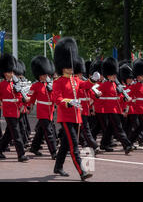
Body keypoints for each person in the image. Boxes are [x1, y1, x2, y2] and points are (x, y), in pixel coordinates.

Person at [52, 37, 98, 181]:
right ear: (62, 66)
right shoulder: (58, 82)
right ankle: (82, 171)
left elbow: (85, 86)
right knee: (74, 145)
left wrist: (93, 80)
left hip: (76, 116)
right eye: (67, 66)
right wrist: (69, 102)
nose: (70, 68)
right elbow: (57, 99)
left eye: (71, 65)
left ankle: (58, 167)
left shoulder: (75, 80)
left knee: (66, 144)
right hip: (65, 116)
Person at [0, 53, 29, 162]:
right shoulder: (0, 85)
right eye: (8, 72)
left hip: (18, 110)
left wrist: (24, 105)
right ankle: (21, 154)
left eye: (11, 72)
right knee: (16, 133)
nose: (10, 74)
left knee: (9, 133)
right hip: (8, 111)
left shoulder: (17, 83)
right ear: (4, 73)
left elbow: (22, 96)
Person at [97, 57, 133, 155]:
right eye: (112, 75)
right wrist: (98, 94)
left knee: (110, 128)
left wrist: (125, 98)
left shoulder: (116, 85)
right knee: (118, 127)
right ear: (108, 75)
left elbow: (120, 96)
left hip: (117, 108)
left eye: (114, 74)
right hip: (110, 109)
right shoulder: (104, 85)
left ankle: (104, 144)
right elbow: (95, 91)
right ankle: (127, 145)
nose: (114, 76)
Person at [28, 56, 57, 159]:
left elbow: (55, 97)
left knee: (41, 131)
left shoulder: (50, 85)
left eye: (46, 74)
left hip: (50, 110)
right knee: (49, 131)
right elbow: (30, 98)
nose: (46, 76)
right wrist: (28, 106)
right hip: (42, 110)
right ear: (39, 75)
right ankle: (54, 152)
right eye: (44, 75)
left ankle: (34, 147)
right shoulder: (35, 86)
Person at [128, 59, 143, 148]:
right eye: (140, 75)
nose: (142, 77)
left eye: (142, 75)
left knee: (141, 127)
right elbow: (126, 92)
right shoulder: (134, 85)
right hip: (140, 108)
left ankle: (130, 140)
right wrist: (128, 99)